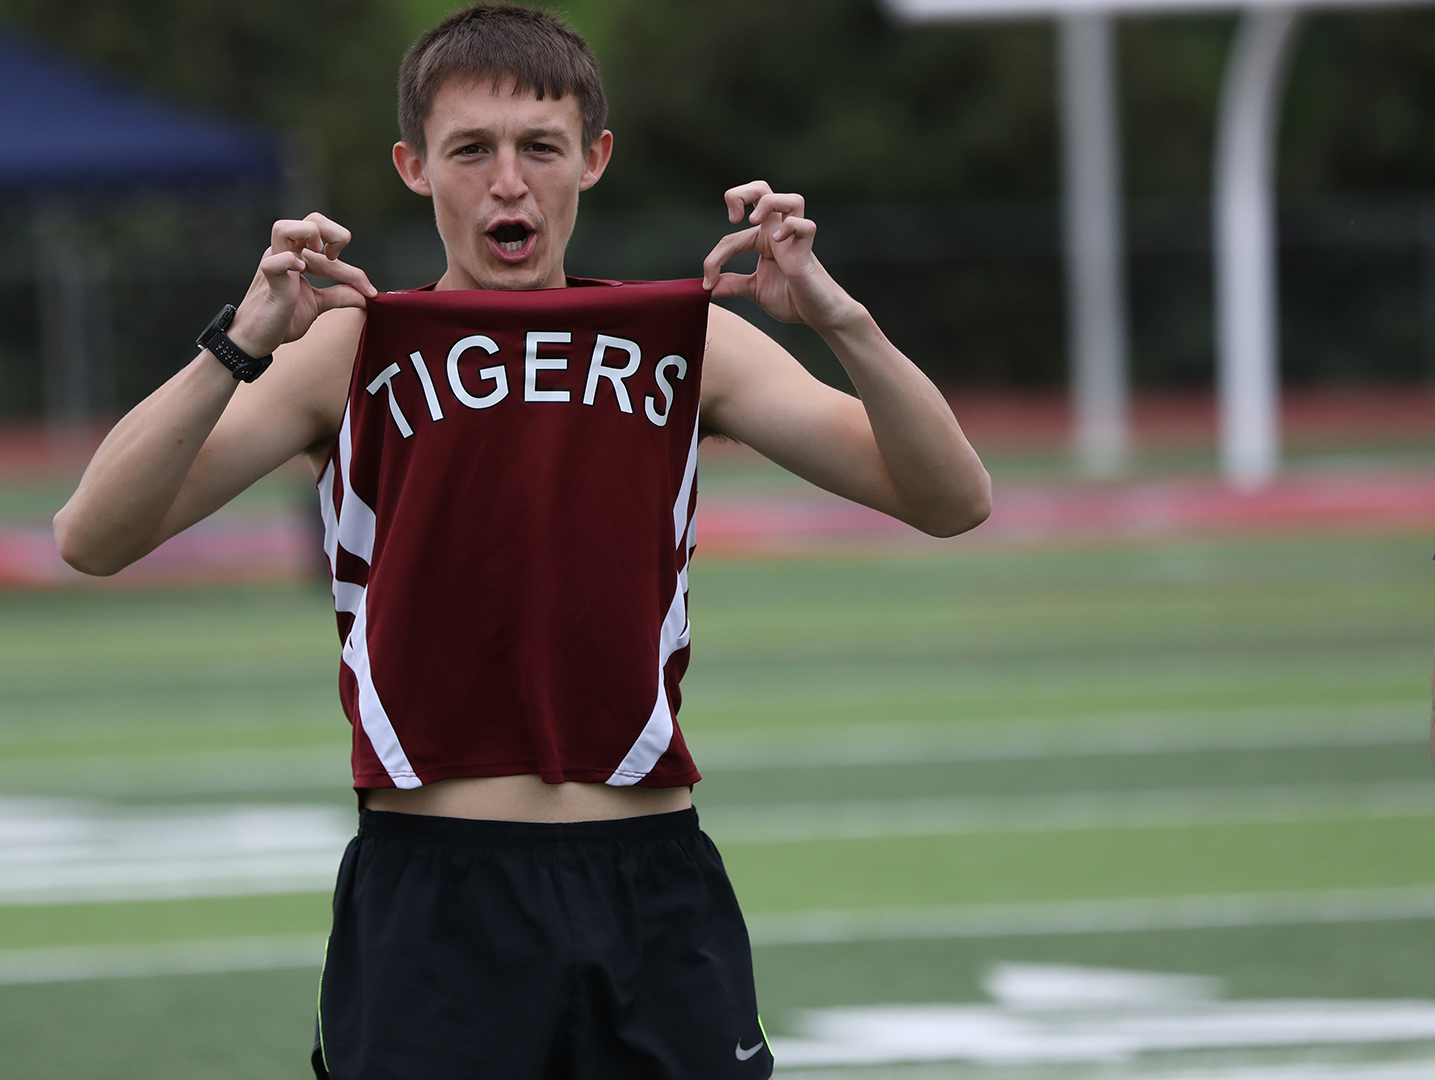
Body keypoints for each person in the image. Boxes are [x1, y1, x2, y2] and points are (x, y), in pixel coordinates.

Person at [55, 5, 991, 1078]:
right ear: (414, 166)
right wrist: (241, 341)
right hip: (434, 890)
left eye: (540, 147)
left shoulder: (692, 341)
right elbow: (94, 535)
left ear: (593, 158)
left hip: (650, 878)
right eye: (472, 150)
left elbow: (951, 499)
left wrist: (840, 321)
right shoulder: (350, 345)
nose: (509, 182)